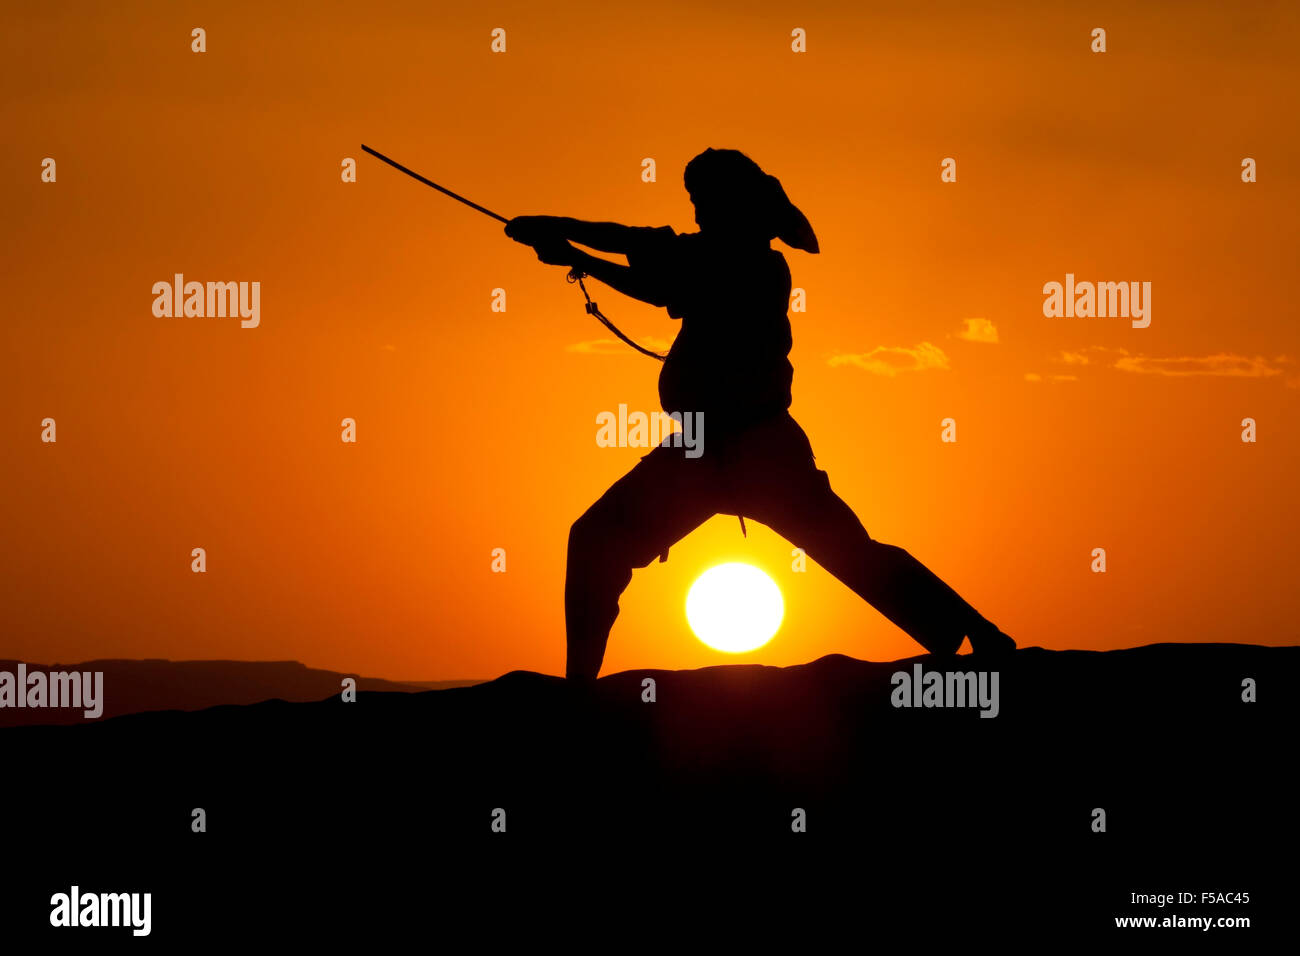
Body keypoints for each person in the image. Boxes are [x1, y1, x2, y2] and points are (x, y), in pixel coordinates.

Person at [505, 148, 1014, 681]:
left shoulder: (750, 265)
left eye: (703, 202)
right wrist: (557, 231)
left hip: (756, 451)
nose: (697, 214)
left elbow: (656, 281)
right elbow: (636, 240)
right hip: (710, 451)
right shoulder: (722, 252)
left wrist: (574, 255)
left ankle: (980, 635)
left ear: (731, 205)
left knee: (851, 555)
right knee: (598, 539)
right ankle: (578, 686)